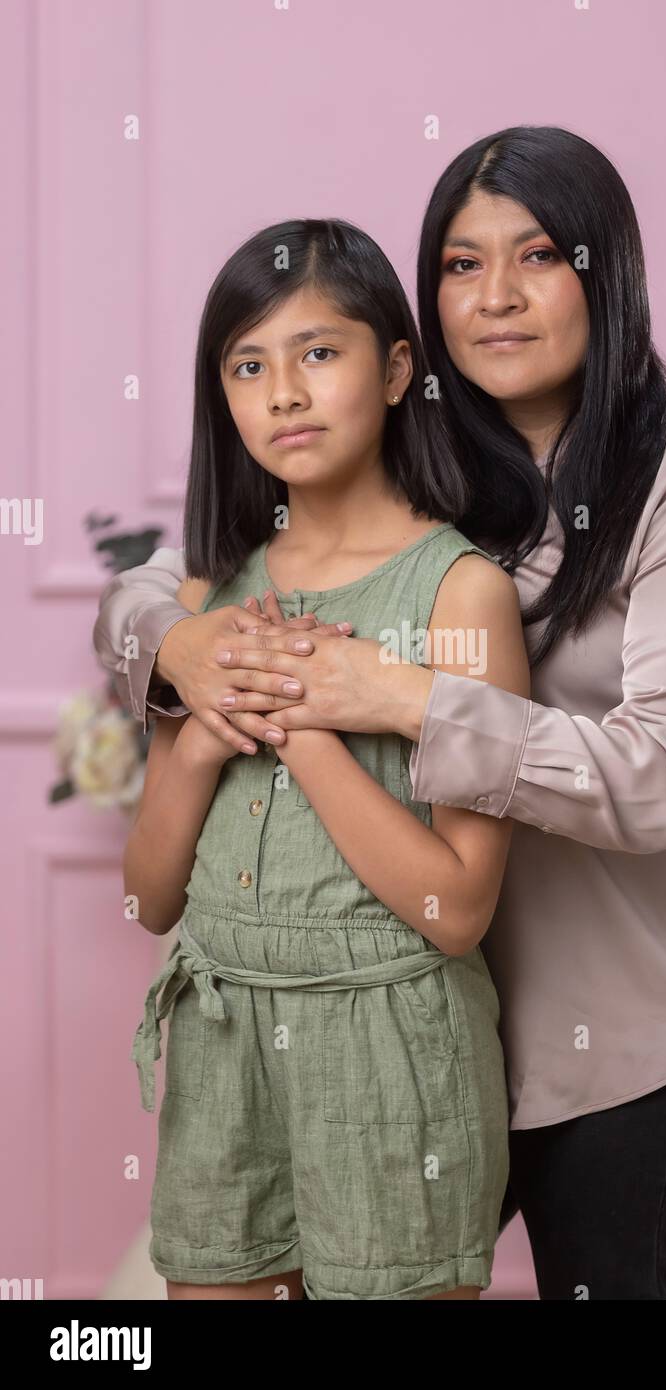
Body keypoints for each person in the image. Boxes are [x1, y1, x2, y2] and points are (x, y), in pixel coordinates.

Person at [96, 126, 666, 1299]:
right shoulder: (433, 457)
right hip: (418, 1023)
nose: (497, 298)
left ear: (605, 273)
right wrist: (185, 650)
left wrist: (390, 696)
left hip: (621, 1046)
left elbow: (660, 781)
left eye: (538, 257)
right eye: (462, 265)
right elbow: (186, 575)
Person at [121, 215, 530, 1300]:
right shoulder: (206, 602)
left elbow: (459, 909)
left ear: (398, 369)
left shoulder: (461, 594)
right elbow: (152, 897)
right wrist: (202, 737)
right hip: (223, 1042)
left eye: (318, 353)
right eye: (248, 365)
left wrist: (302, 730)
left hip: (393, 1050)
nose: (284, 393)